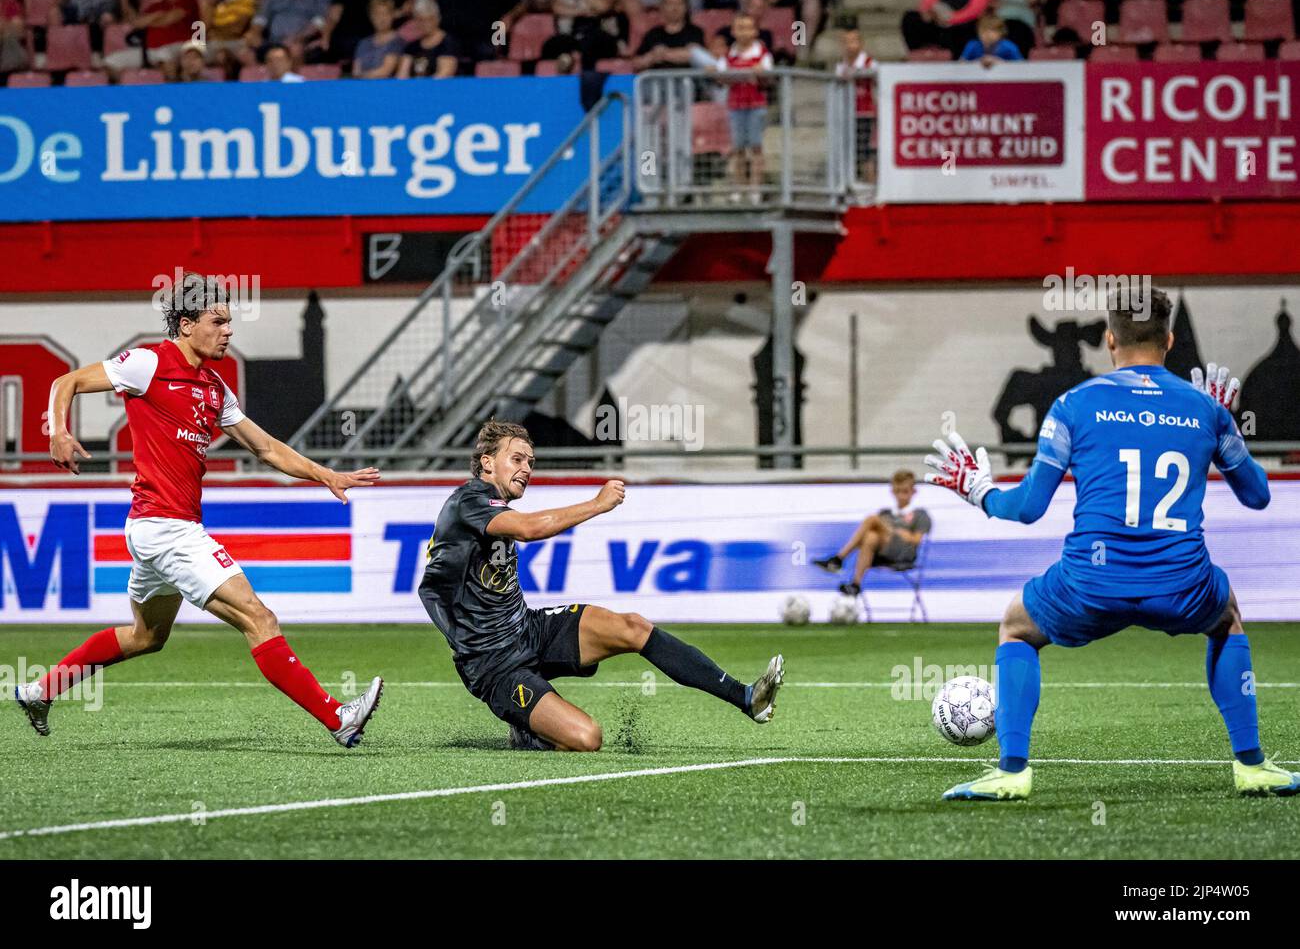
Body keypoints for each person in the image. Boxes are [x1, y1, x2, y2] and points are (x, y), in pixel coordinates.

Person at [924, 287, 1299, 800]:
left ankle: (1012, 773)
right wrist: (1226, 423)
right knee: (1227, 615)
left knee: (1015, 627)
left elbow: (1029, 508)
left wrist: (980, 492)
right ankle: (1252, 766)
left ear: (1108, 341)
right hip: (1181, 582)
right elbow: (1257, 496)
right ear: (1168, 340)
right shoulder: (1203, 410)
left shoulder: (1074, 405)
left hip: (1090, 584)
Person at [16, 273, 383, 749]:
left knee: (146, 636)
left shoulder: (214, 387)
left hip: (153, 529)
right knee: (260, 619)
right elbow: (67, 380)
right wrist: (58, 432)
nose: (229, 330)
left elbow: (266, 448)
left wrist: (326, 474)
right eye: (219, 321)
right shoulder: (148, 364)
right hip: (167, 529)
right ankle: (338, 717)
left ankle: (40, 690)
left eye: (230, 321)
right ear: (187, 325)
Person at [418, 420, 785, 752]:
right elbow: (530, 529)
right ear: (486, 462)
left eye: (530, 462)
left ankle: (747, 697)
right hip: (494, 663)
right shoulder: (468, 501)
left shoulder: (492, 504)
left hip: (529, 630)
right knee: (586, 739)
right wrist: (597, 504)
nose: (526, 469)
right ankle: (530, 728)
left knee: (633, 627)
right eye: (516, 459)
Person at [815, 470, 930, 596]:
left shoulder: (920, 514)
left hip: (904, 554)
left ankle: (839, 559)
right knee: (871, 537)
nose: (901, 496)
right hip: (881, 553)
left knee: (872, 519)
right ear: (892, 491)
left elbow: (916, 540)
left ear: (913, 492)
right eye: (897, 491)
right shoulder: (886, 513)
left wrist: (901, 533)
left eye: (905, 491)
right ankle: (856, 584)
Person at [718, 12, 771, 201]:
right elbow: (721, 78)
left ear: (755, 31)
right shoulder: (728, 56)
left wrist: (761, 74)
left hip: (756, 105)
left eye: (748, 28)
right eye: (740, 28)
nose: (744, 32)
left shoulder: (762, 54)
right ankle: (738, 188)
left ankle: (756, 188)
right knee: (738, 148)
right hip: (735, 106)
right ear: (733, 31)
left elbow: (769, 79)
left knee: (756, 147)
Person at [835, 27, 876, 184]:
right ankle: (850, 184)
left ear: (861, 43)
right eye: (847, 42)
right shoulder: (840, 66)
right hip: (845, 114)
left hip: (864, 113)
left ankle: (871, 186)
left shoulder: (870, 63)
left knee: (865, 152)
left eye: (854, 41)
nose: (850, 45)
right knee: (848, 152)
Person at [245, 0, 331, 64]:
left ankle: (293, 82)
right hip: (272, 41)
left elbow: (319, 21)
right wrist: (255, 33)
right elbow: (260, 18)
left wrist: (298, 37)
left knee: (295, 50)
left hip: (302, 41)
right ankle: (262, 83)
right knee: (246, 51)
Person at [901, 0, 990, 59]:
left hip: (961, 27)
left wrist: (951, 20)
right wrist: (932, 14)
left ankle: (954, 56)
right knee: (911, 17)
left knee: (972, 26)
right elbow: (926, 5)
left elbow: (977, 9)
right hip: (937, 22)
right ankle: (920, 52)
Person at [631, 0, 703, 71]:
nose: (675, 8)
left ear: (686, 7)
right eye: (670, 3)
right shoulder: (653, 33)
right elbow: (636, 63)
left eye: (679, 3)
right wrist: (651, 57)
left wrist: (661, 54)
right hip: (657, 81)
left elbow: (695, 56)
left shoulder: (695, 32)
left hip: (687, 80)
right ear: (662, 7)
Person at [397, 0, 459, 78]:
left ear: (436, 18)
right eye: (419, 20)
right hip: (412, 89)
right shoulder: (412, 47)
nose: (423, 24)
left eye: (427, 19)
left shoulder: (447, 43)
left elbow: (444, 74)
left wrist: (422, 88)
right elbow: (402, 75)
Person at [351, 0, 404, 77]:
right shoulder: (363, 43)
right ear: (371, 17)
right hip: (362, 87)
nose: (381, 18)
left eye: (385, 13)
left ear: (393, 15)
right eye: (377, 14)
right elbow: (356, 71)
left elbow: (385, 71)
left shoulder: (397, 42)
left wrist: (362, 76)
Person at [959, 12, 1023, 64]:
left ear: (1001, 32)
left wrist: (1000, 62)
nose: (987, 34)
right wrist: (979, 62)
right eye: (983, 30)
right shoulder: (972, 45)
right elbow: (961, 64)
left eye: (992, 30)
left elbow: (1021, 65)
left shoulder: (1009, 46)